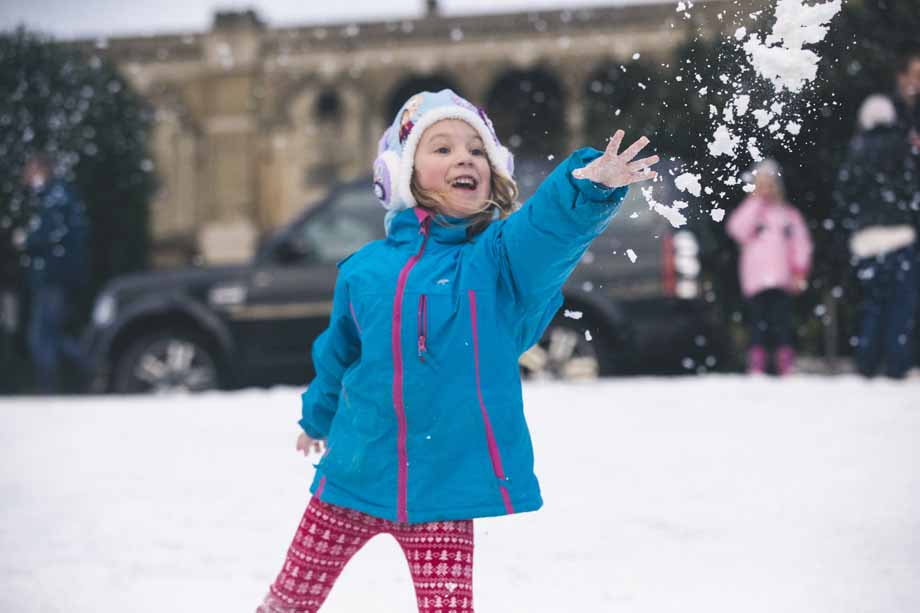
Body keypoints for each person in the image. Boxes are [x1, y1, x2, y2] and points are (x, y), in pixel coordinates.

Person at [255, 89, 659, 613]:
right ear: (402, 174)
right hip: (352, 474)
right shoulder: (364, 270)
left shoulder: (496, 263)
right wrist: (317, 418)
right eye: (442, 148)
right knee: (289, 600)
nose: (464, 158)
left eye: (476, 150)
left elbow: (545, 231)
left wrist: (584, 187)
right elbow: (339, 355)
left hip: (444, 491)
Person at [834, 95, 919, 379]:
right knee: (900, 306)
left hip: (867, 240)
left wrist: (850, 229)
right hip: (900, 236)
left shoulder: (856, 149)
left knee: (872, 304)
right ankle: (896, 365)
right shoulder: (903, 147)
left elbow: (845, 196)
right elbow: (912, 188)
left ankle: (867, 363)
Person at [726, 160, 813, 376]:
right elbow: (736, 230)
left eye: (770, 184)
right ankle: (757, 365)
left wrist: (799, 270)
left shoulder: (788, 215)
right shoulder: (750, 211)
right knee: (757, 323)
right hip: (756, 280)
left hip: (782, 279)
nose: (766, 189)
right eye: (761, 184)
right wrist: (754, 201)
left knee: (782, 323)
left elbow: (801, 244)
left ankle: (785, 364)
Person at [21, 154, 90, 393]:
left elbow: (51, 236)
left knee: (43, 334)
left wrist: (27, 241)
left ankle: (51, 385)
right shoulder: (55, 196)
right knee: (51, 333)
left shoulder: (55, 198)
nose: (26, 176)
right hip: (54, 276)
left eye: (31, 170)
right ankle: (85, 368)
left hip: (52, 277)